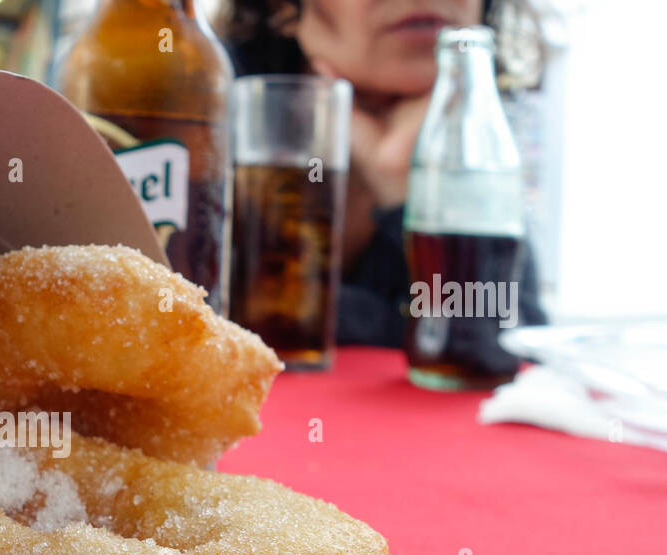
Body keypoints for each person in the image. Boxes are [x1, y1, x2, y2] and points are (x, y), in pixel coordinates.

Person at [220, 0, 547, 347]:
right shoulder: (191, 109)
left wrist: (401, 181)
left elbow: (509, 345)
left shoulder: (479, 142)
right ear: (280, 9)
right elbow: (206, 315)